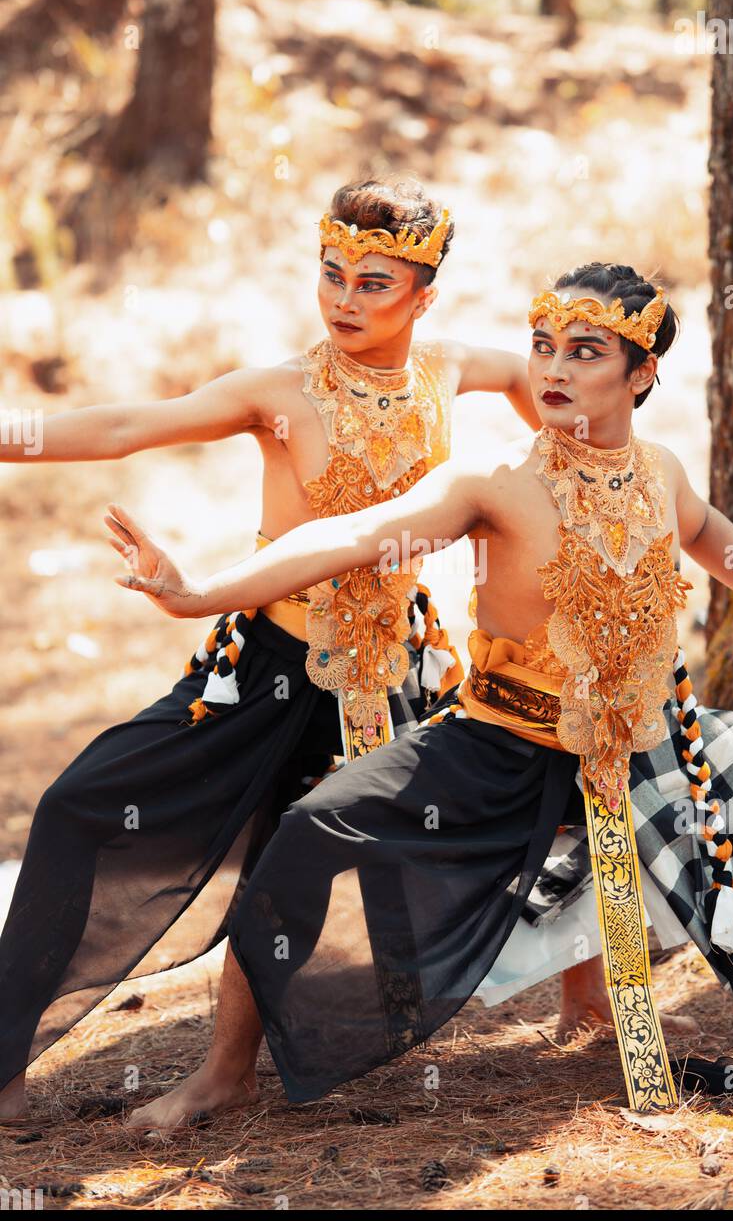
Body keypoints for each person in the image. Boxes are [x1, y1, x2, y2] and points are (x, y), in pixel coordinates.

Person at [106, 262, 733, 1126]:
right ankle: (222, 1075)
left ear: (642, 373)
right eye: (544, 346)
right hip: (501, 744)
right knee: (310, 828)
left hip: (646, 752)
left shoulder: (661, 472)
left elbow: (708, 537)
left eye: (585, 352)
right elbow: (354, 535)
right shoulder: (494, 478)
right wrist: (201, 591)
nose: (553, 369)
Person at [0, 175, 541, 1124]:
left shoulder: (451, 366)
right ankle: (4, 1063)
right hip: (266, 674)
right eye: (330, 274)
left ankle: (222, 1077)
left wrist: (567, 487)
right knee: (82, 804)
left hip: (395, 676)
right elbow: (127, 427)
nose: (343, 299)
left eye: (374, 284)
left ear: (424, 294)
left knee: (291, 868)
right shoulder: (280, 392)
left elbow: (552, 387)